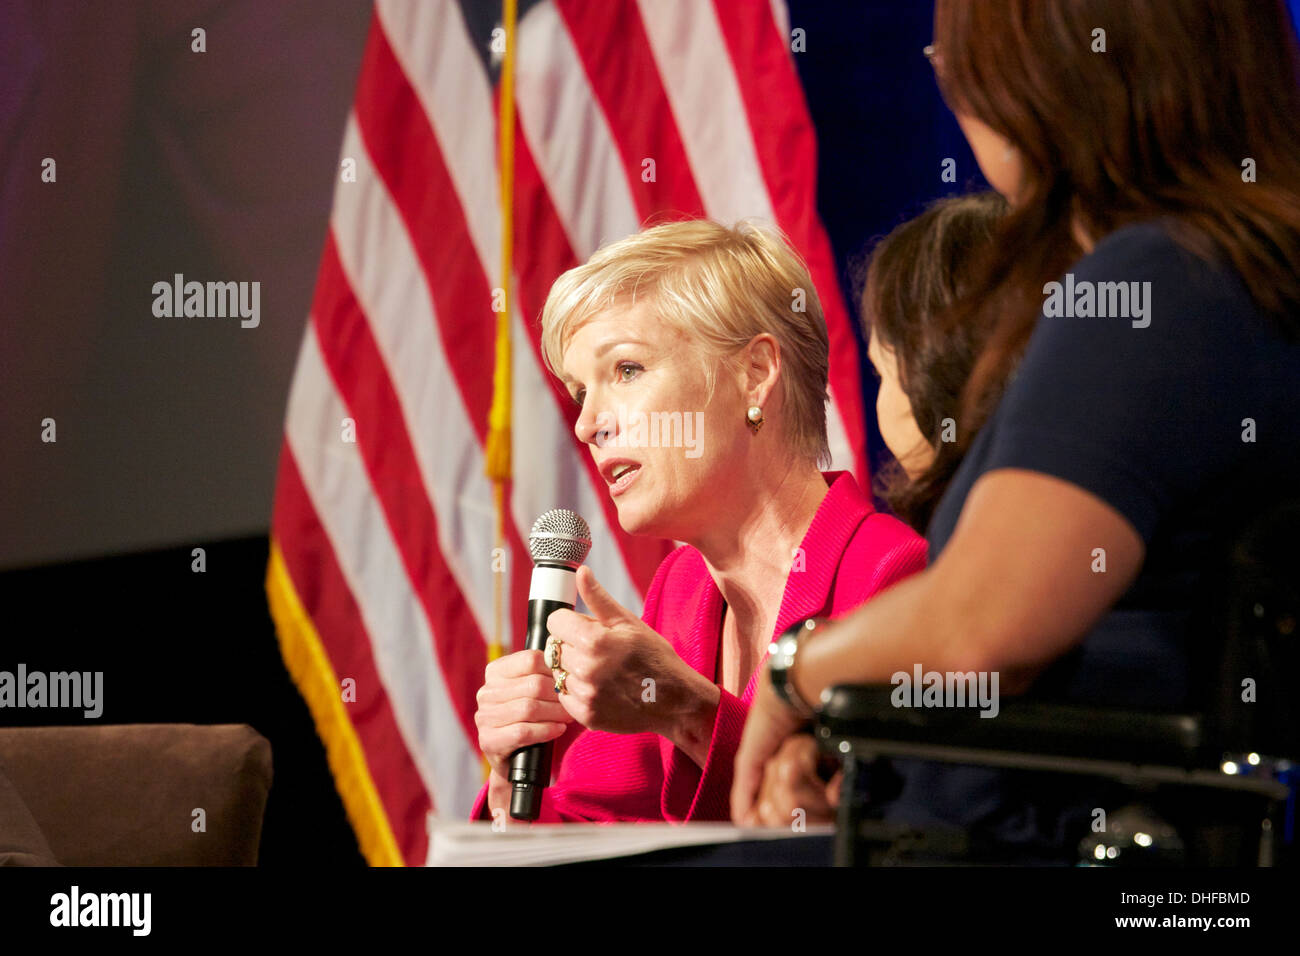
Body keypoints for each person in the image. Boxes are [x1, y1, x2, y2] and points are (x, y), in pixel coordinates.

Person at [733, 0, 1300, 859]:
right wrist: (873, 722)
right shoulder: (1238, 272)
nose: (947, 78)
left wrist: (795, 674)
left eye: (960, 53)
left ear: (1050, 67)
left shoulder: (1155, 285)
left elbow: (983, 628)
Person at [470, 219, 928, 824]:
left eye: (626, 371)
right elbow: (594, 831)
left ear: (755, 373)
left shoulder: (897, 577)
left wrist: (689, 711)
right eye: (582, 392)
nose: (588, 425)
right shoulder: (681, 591)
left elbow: (870, 830)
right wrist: (511, 783)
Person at [748, 193, 1008, 824]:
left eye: (884, 370)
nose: (592, 422)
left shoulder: (902, 559)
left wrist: (793, 683)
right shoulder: (677, 580)